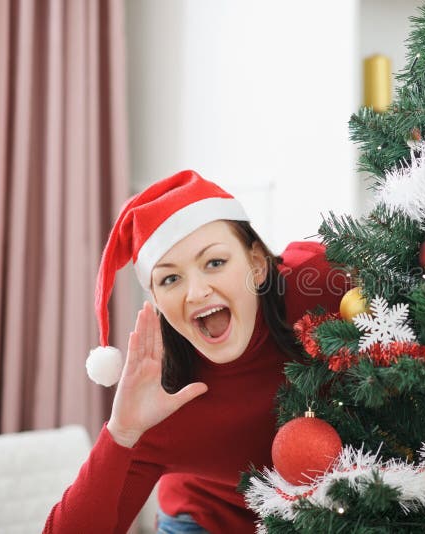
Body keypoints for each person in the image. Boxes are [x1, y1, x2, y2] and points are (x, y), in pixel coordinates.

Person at [44, 170, 342, 533]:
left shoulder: (320, 290)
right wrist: (121, 431)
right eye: (171, 278)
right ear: (157, 301)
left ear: (257, 264)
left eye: (215, 263)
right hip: (203, 522)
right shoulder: (162, 400)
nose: (197, 292)